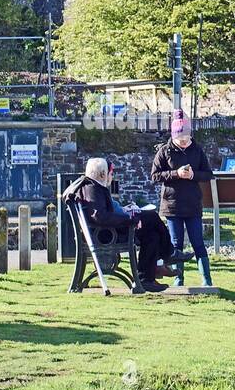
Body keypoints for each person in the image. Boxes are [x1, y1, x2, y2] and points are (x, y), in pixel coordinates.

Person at [65, 157, 179, 293]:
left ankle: (146, 279)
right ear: (102, 174)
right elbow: (101, 217)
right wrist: (130, 219)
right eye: (110, 173)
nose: (112, 177)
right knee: (151, 216)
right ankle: (168, 253)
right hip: (105, 235)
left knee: (152, 235)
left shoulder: (93, 187)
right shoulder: (92, 189)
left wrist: (127, 213)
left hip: (108, 231)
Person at [151, 110, 215, 287]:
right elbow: (155, 175)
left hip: (193, 204)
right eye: (181, 139)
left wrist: (194, 175)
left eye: (187, 137)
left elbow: (208, 174)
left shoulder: (197, 150)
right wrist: (176, 174)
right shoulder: (165, 151)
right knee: (176, 244)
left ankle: (207, 279)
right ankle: (178, 278)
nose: (185, 141)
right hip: (172, 205)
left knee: (198, 242)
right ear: (174, 137)